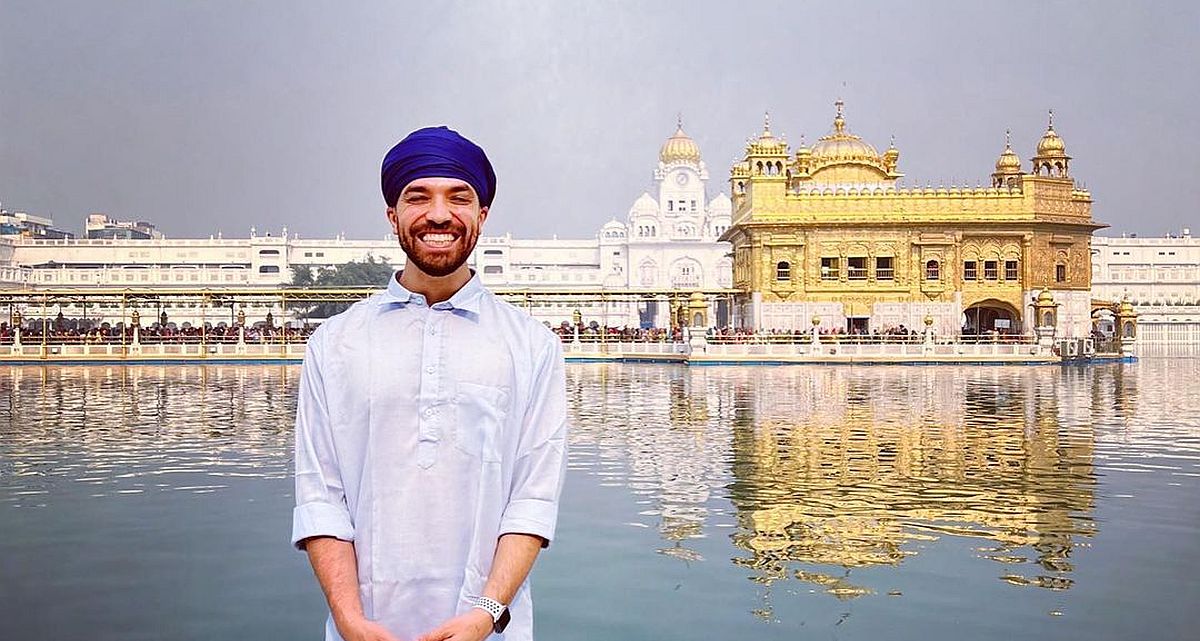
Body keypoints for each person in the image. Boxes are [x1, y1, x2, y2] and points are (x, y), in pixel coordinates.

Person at [291, 126, 568, 641]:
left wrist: (485, 614)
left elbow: (532, 499)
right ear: (392, 215)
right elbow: (321, 497)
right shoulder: (335, 343)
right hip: (364, 632)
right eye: (417, 197)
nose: (439, 214)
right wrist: (351, 621)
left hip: (490, 629)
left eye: (458, 197)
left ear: (481, 215)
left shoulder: (531, 345)